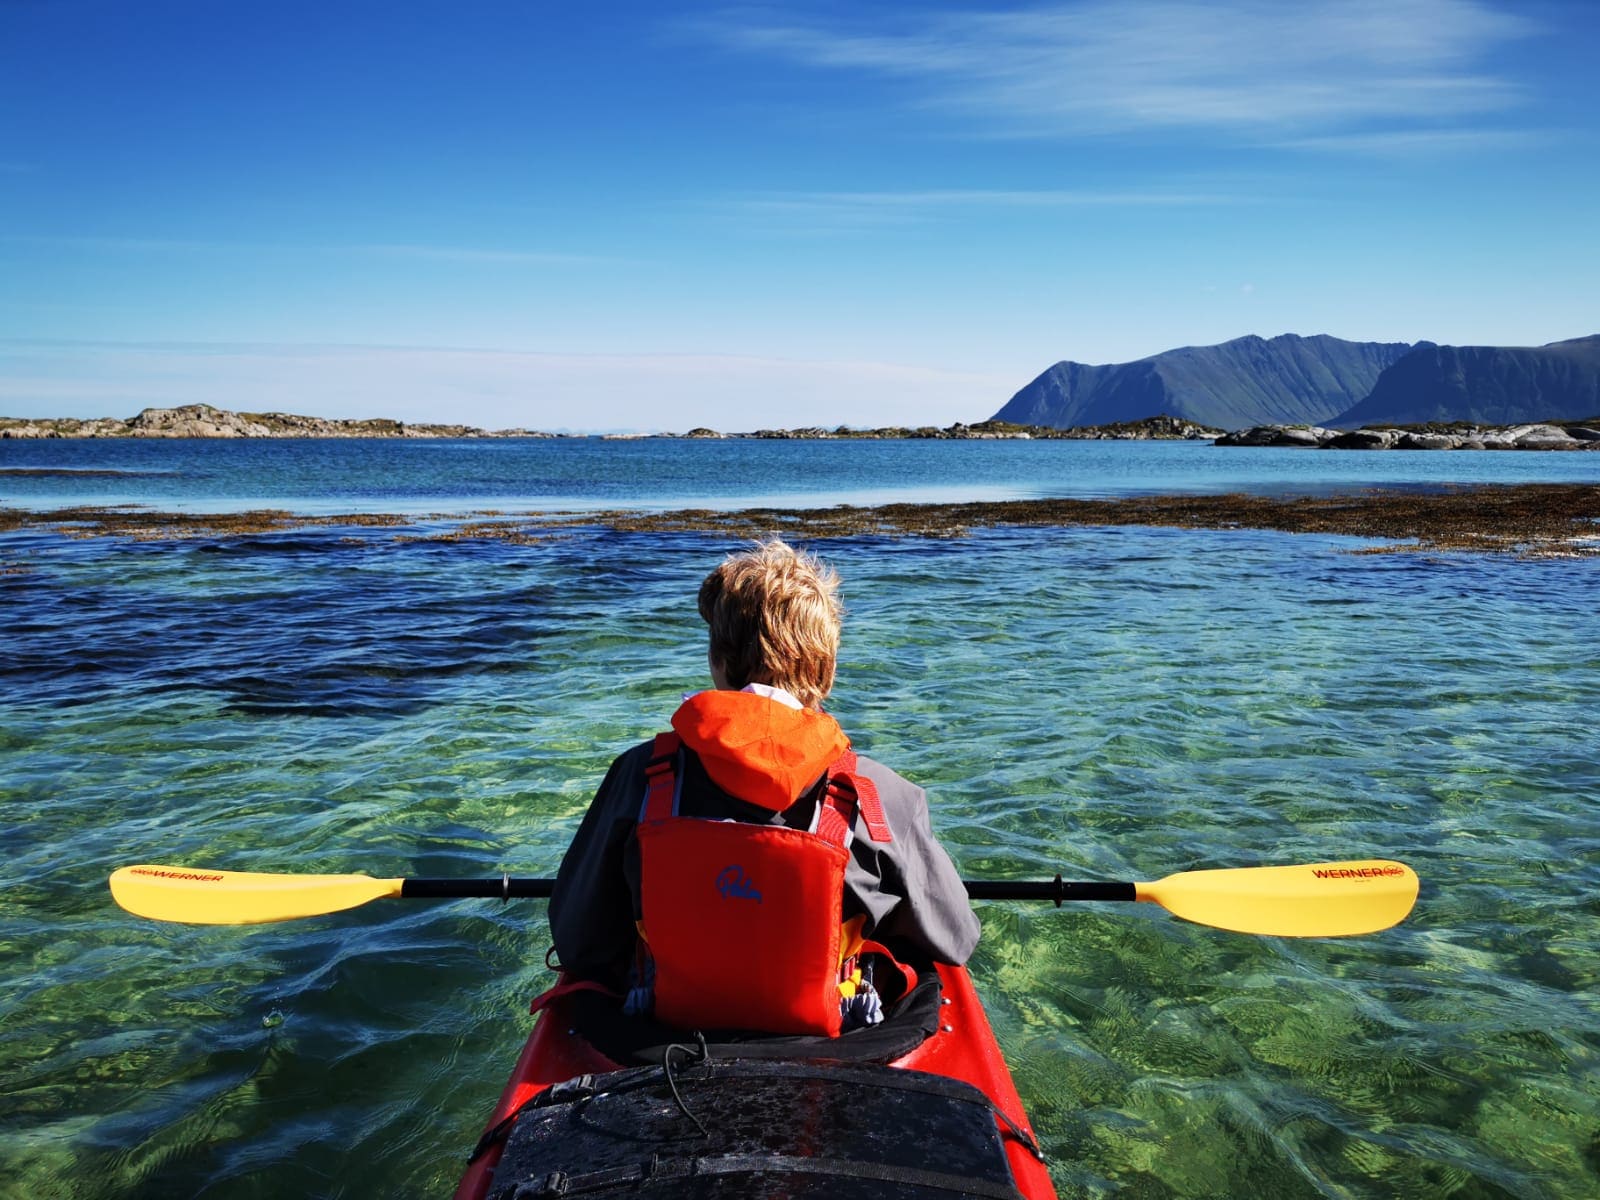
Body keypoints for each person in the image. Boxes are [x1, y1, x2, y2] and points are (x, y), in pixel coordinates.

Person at [549, 539, 980, 1037]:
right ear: (826, 672)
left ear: (717, 661)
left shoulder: (641, 775)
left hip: (665, 1033)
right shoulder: (883, 795)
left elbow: (578, 941)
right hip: (832, 1040)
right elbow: (954, 939)